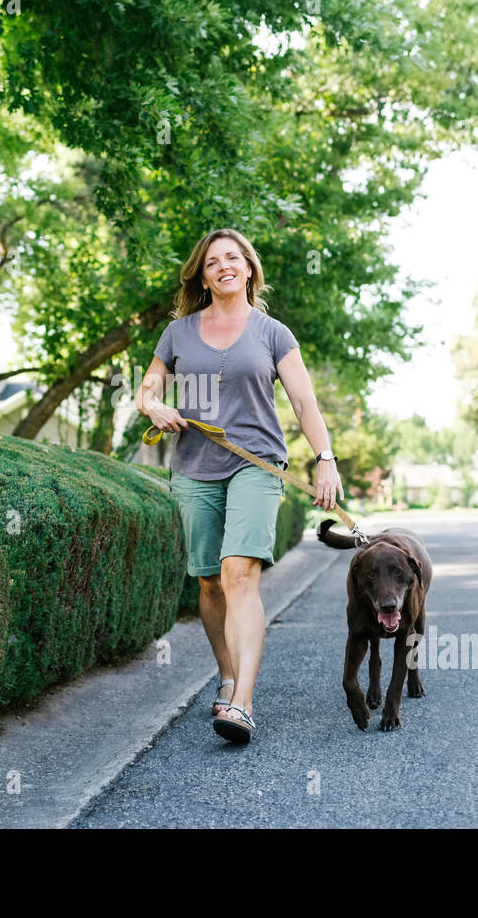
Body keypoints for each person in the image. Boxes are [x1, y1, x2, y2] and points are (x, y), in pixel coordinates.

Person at [136, 228, 344, 744]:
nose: (223, 266)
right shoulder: (179, 333)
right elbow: (148, 387)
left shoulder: (274, 334)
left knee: (239, 573)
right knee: (209, 580)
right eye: (212, 262)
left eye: (233, 258)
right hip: (193, 465)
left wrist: (325, 459)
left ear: (249, 268)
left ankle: (242, 704)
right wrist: (154, 405)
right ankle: (227, 677)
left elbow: (304, 404)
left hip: (257, 463)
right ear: (202, 277)